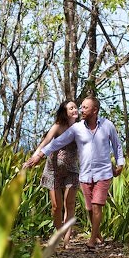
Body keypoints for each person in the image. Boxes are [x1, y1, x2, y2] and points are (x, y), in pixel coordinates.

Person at [24, 96, 124, 250]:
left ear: (95, 110)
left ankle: (90, 240)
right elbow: (55, 142)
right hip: (81, 173)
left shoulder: (107, 125)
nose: (80, 110)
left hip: (99, 172)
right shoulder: (75, 128)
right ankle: (95, 234)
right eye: (80, 107)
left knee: (95, 205)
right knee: (88, 208)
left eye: (84, 107)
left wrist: (120, 163)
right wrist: (38, 156)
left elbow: (115, 146)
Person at [27, 100, 80, 247]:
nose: (75, 110)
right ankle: (58, 234)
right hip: (53, 170)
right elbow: (45, 143)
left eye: (76, 107)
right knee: (56, 207)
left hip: (71, 170)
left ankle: (67, 240)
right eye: (71, 108)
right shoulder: (57, 127)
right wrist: (34, 158)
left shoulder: (79, 128)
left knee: (69, 204)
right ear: (65, 112)